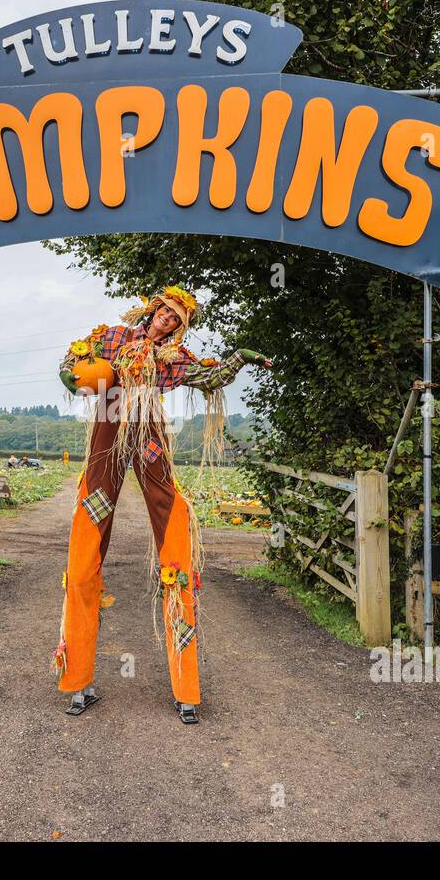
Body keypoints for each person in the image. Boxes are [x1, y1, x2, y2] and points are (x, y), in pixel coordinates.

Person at [51, 285, 272, 724]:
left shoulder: (175, 357)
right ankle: (76, 680)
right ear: (154, 309)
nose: (168, 320)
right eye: (166, 312)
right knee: (90, 520)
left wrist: (242, 357)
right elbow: (73, 361)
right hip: (109, 425)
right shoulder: (112, 338)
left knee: (167, 506)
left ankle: (186, 688)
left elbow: (211, 378)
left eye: (177, 319)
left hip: (148, 432)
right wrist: (69, 375)